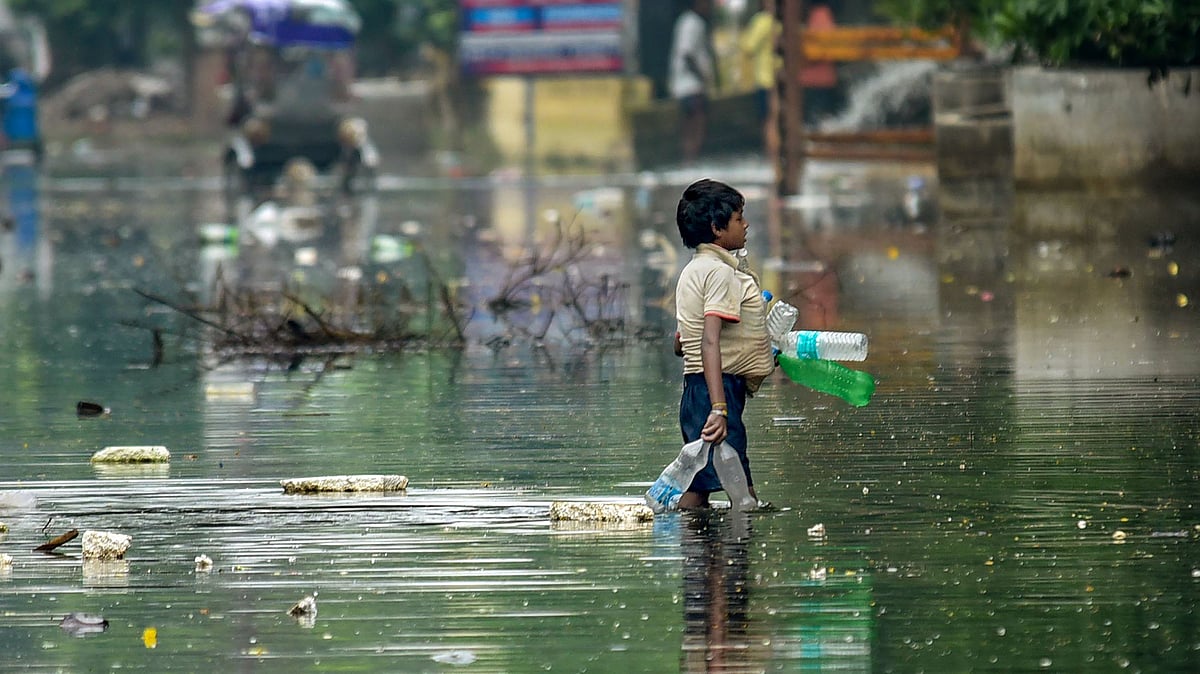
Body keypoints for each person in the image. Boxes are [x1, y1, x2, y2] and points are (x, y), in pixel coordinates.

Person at [671, 179, 774, 509]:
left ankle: (698, 556)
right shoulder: (719, 273)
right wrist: (718, 407)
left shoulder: (694, 270)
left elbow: (682, 343)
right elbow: (709, 340)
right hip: (715, 390)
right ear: (717, 228)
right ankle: (727, 557)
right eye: (739, 218)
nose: (745, 225)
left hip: (698, 388)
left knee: (700, 484)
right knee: (741, 493)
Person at [668, 0, 717, 163]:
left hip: (688, 84)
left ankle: (690, 156)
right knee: (695, 121)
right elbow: (687, 53)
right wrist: (702, 75)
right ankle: (691, 157)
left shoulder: (689, 21)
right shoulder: (692, 22)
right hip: (690, 84)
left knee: (692, 121)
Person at [738, 1, 781, 155]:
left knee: (769, 122)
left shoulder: (763, 20)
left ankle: (774, 161)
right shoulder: (781, 22)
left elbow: (749, 46)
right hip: (779, 77)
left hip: (765, 79)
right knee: (778, 122)